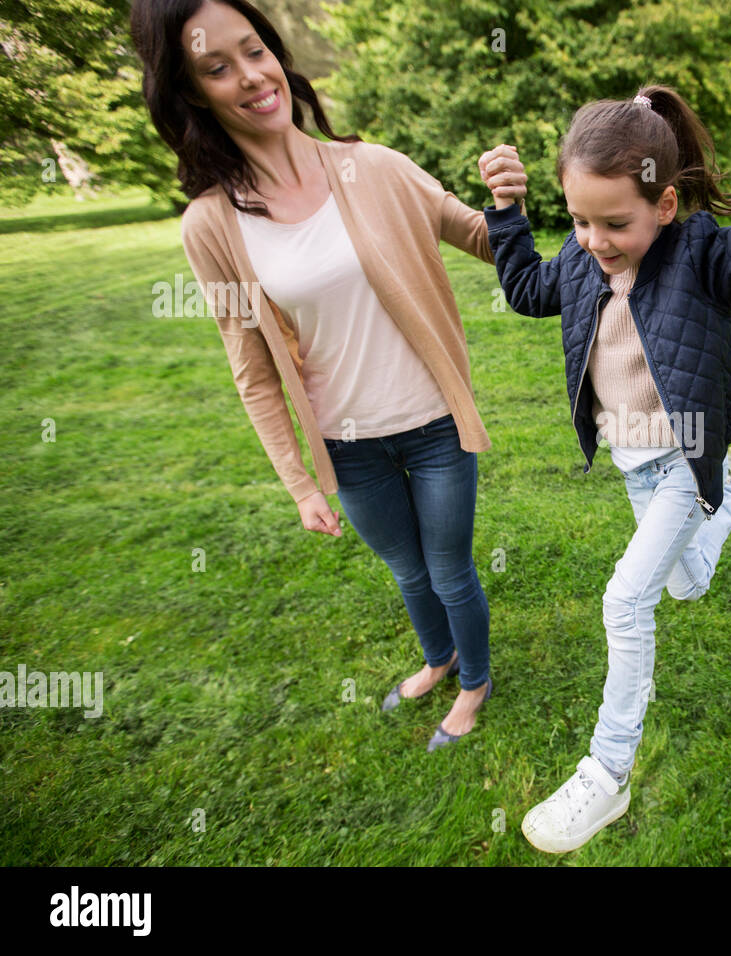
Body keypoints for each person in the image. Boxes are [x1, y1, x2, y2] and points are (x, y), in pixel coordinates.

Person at [479, 58, 731, 852]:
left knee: (626, 602)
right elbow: (524, 290)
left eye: (614, 224)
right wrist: (507, 211)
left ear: (664, 203)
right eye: (580, 221)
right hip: (634, 462)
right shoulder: (585, 262)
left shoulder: (703, 258)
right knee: (688, 583)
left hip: (687, 453)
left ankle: (606, 773)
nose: (594, 243)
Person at [133, 0, 528, 749]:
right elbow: (250, 366)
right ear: (191, 95)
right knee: (409, 574)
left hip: (433, 425)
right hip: (348, 447)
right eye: (218, 68)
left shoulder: (372, 166)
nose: (251, 77)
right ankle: (438, 659)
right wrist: (300, 481)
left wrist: (506, 201)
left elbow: (479, 237)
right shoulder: (211, 225)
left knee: (449, 573)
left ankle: (474, 682)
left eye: (254, 51)